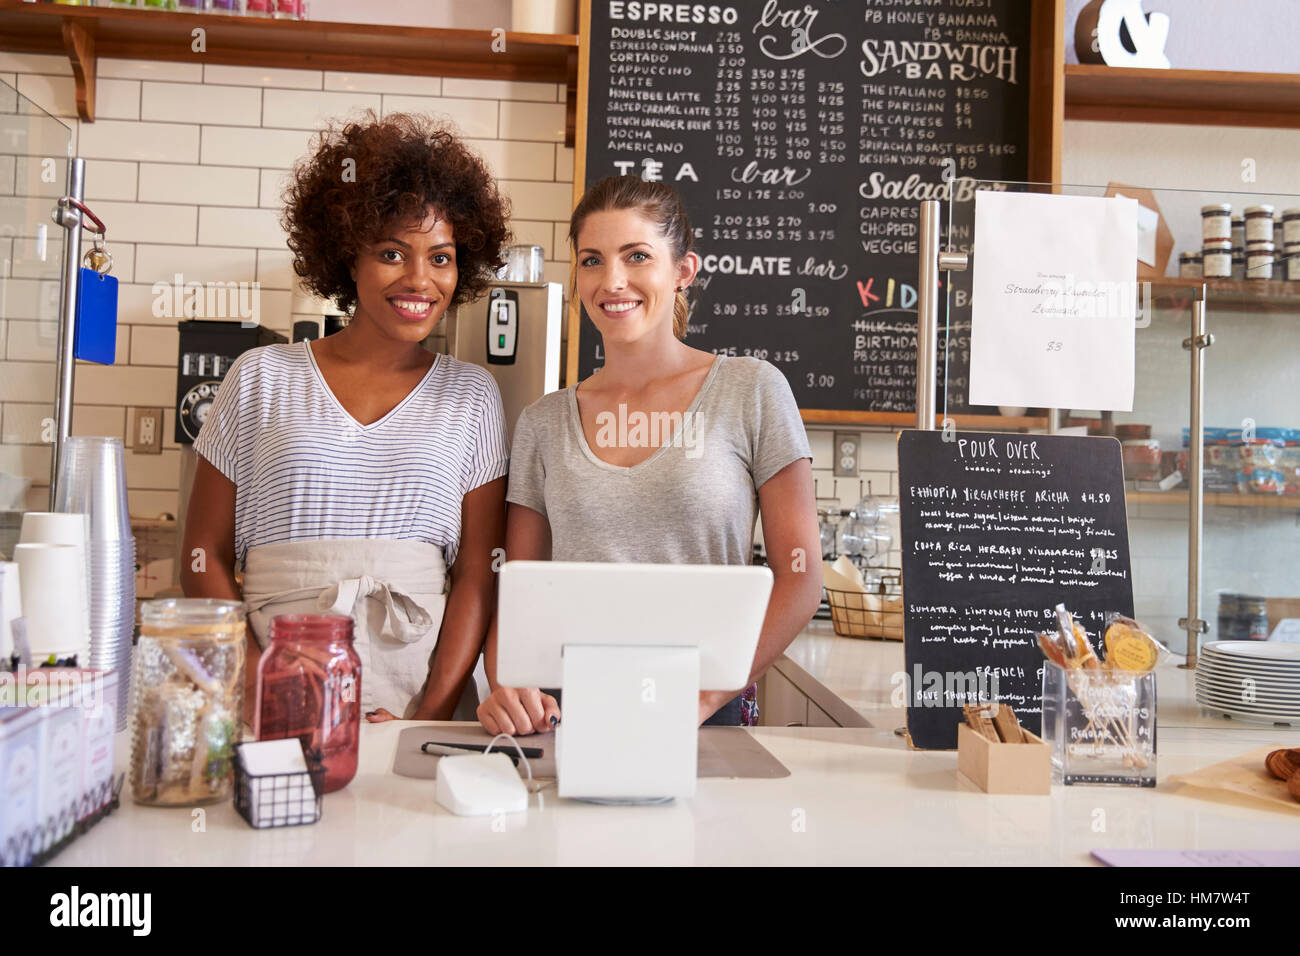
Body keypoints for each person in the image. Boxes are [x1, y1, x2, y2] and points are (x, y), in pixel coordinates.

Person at [183, 112, 511, 722]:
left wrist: (427, 717)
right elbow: (202, 553)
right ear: (346, 257)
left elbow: (476, 575)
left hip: (413, 692)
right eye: (392, 252)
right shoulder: (260, 377)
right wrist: (261, 689)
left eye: (441, 257)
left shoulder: (472, 396)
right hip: (270, 686)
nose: (420, 279)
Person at [477, 175, 822, 735]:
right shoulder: (543, 422)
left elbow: (801, 579)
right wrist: (507, 686)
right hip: (565, 713)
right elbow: (520, 591)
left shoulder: (751, 390)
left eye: (636, 255)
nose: (612, 281)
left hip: (702, 707)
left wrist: (698, 700)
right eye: (591, 260)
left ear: (683, 270)